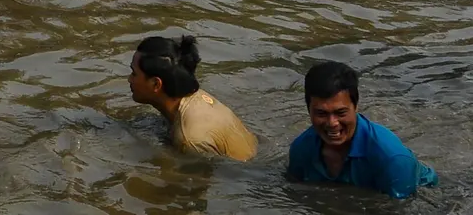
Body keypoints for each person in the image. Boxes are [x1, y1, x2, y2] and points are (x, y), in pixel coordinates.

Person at [286, 61, 438, 199]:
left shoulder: (391, 158)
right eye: (321, 113)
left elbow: (401, 209)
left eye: (341, 113)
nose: (332, 123)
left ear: (356, 106)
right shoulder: (301, 148)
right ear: (308, 110)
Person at [127, 35, 257, 160]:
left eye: (134, 73)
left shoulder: (189, 140)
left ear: (156, 84)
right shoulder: (196, 96)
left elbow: (209, 180)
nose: (129, 79)